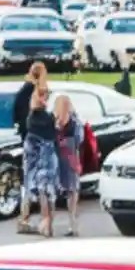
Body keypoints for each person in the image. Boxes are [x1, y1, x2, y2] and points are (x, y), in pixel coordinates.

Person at [14, 62, 48, 235]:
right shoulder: (34, 93)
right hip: (37, 140)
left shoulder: (22, 91)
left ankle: (25, 217)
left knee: (29, 179)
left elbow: (16, 114)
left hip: (27, 139)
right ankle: (38, 219)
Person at [24, 85, 60, 238]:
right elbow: (54, 135)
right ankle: (48, 223)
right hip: (47, 155)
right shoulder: (48, 118)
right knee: (47, 190)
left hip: (36, 158)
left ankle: (46, 221)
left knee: (41, 190)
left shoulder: (31, 119)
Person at [53, 95, 84, 237]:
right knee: (72, 190)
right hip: (71, 156)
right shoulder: (75, 121)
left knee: (54, 189)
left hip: (57, 156)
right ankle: (72, 224)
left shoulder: (54, 121)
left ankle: (49, 223)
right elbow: (79, 139)